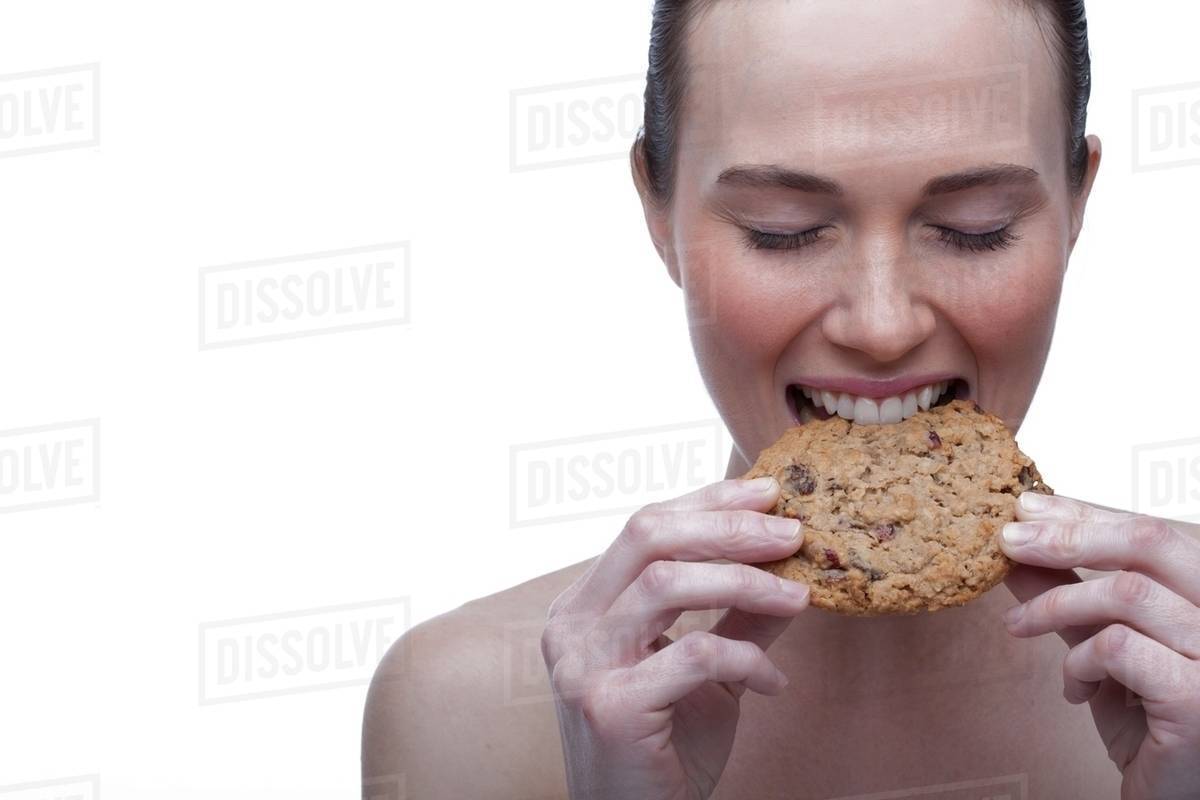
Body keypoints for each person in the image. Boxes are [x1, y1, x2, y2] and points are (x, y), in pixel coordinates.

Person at [363, 1, 1200, 797]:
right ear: (658, 211)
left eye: (975, 227)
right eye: (782, 229)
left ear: (1078, 202)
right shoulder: (458, 713)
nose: (881, 326)